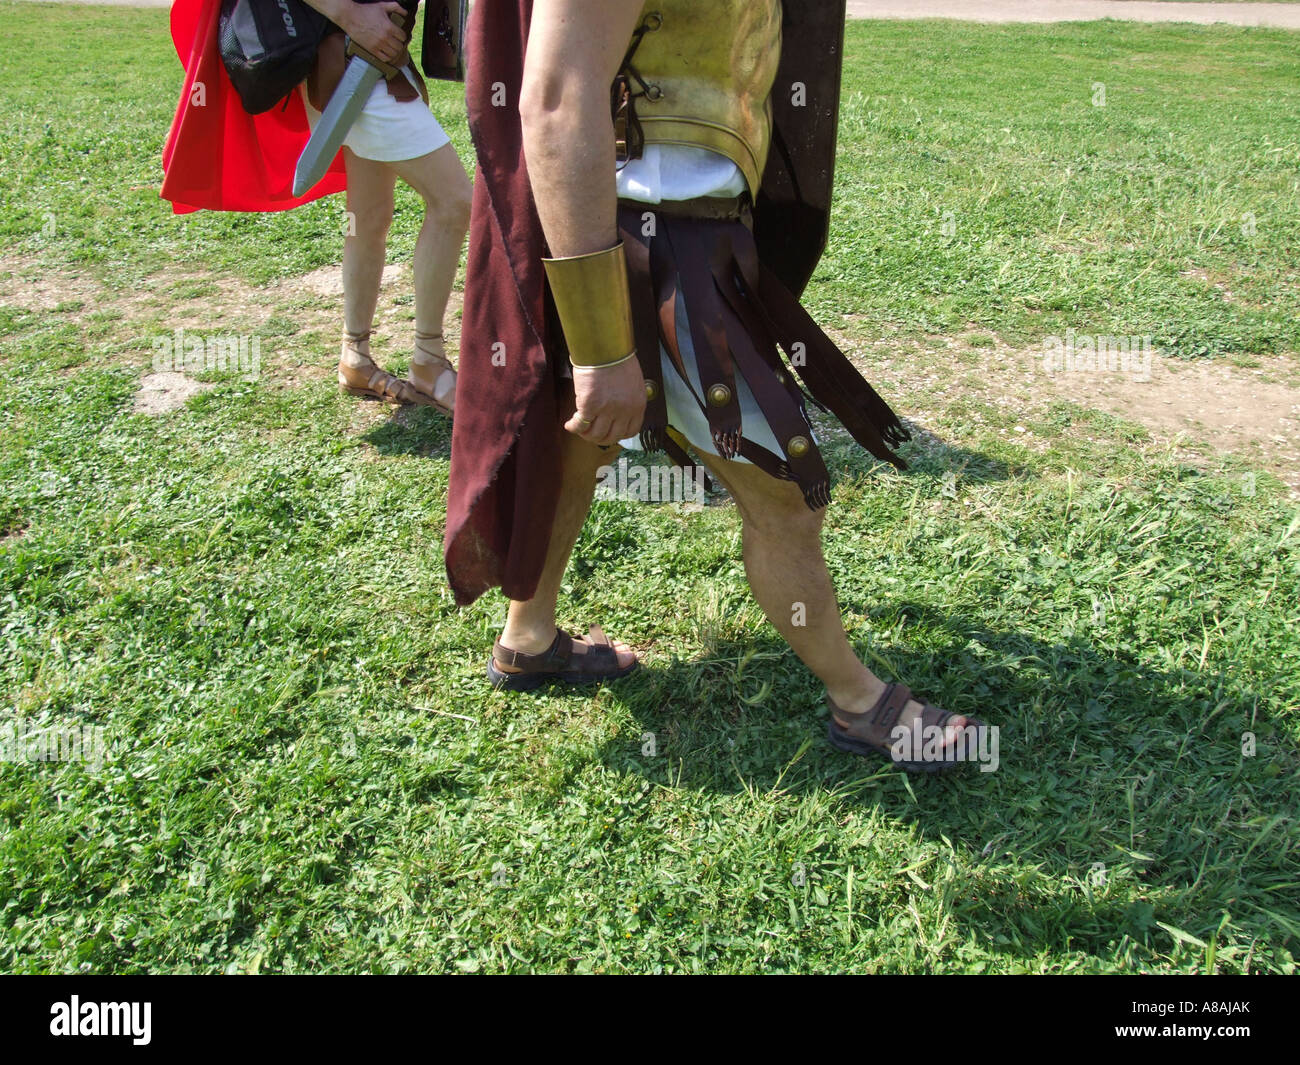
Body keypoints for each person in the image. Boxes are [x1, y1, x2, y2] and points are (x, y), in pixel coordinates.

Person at [444, 0, 985, 771]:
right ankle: (860, 703)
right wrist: (602, 353)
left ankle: (528, 636)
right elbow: (558, 98)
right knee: (783, 495)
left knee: (578, 448)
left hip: (663, 225)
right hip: (645, 241)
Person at [162, 0, 471, 415]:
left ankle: (355, 355)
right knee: (454, 203)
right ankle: (428, 361)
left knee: (368, 216)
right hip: (350, 59)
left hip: (371, 60)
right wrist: (349, 14)